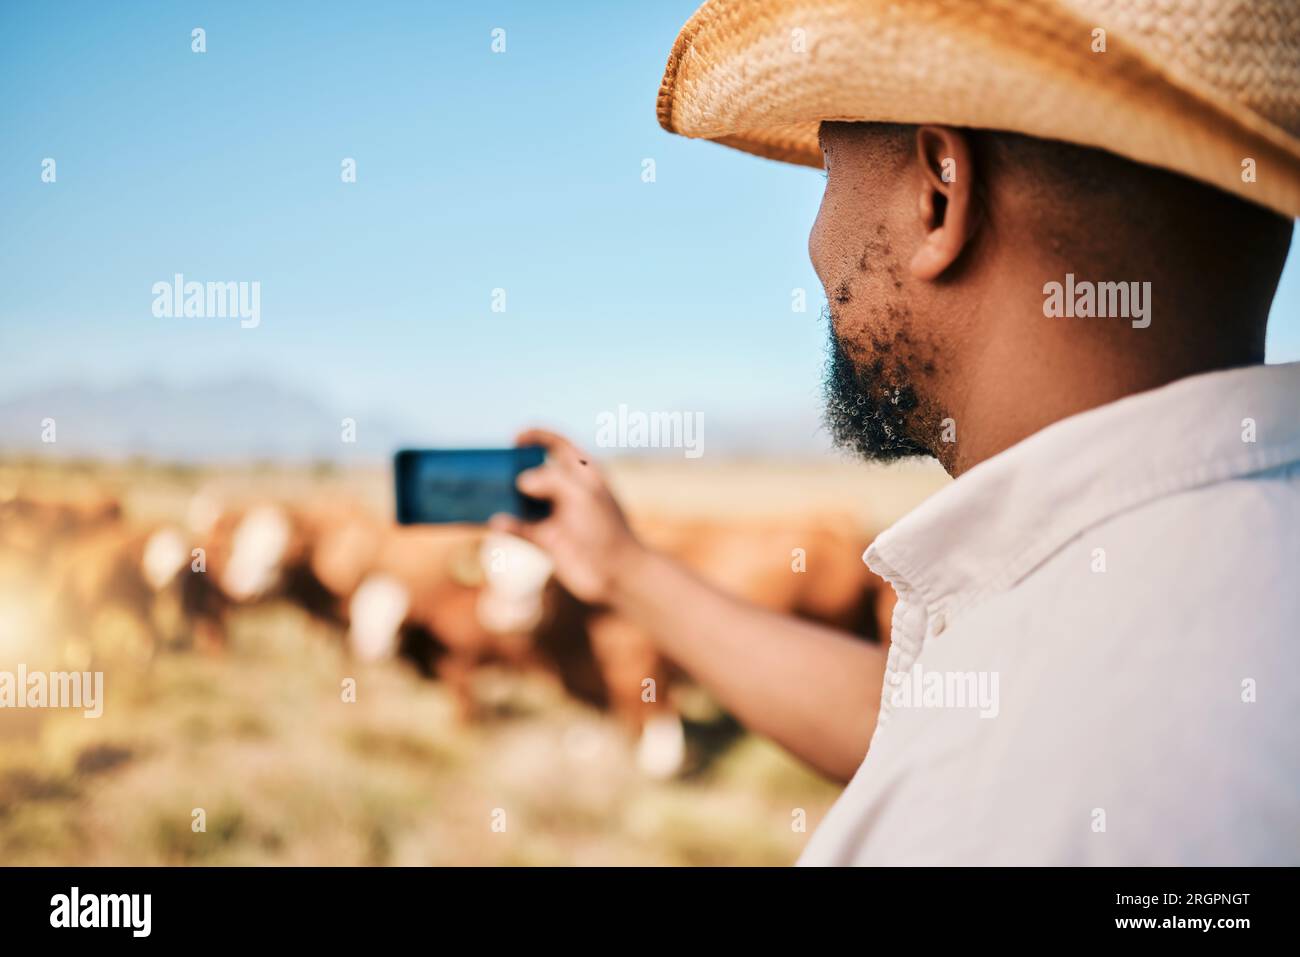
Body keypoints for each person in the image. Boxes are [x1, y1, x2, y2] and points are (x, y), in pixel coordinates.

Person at [495, 0, 1300, 864]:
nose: (814, 243)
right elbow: (924, 715)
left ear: (937, 193)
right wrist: (625, 568)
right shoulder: (1194, 614)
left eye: (829, 172)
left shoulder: (983, 811)